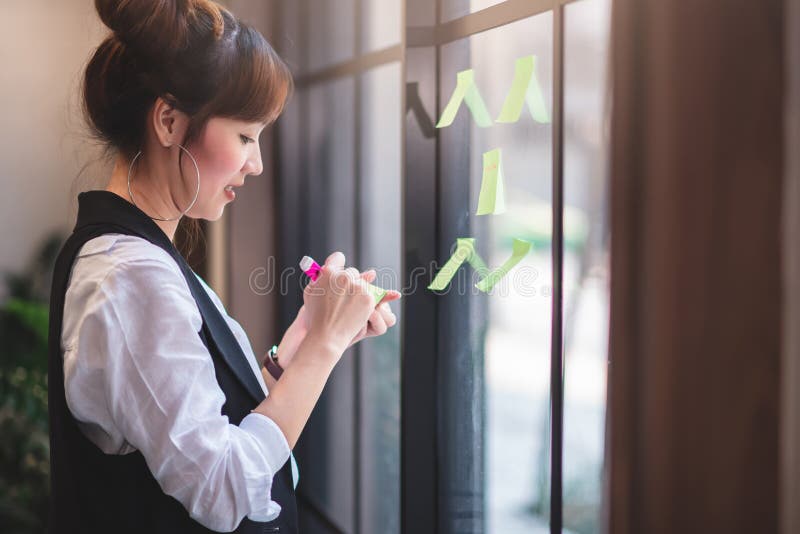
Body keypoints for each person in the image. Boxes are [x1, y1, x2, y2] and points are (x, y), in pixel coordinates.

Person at [46, 1, 400, 533]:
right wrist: (323, 350)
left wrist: (302, 341)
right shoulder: (130, 277)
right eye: (245, 136)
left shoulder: (139, 260)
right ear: (168, 121)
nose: (255, 163)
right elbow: (224, 490)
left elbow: (204, 424)